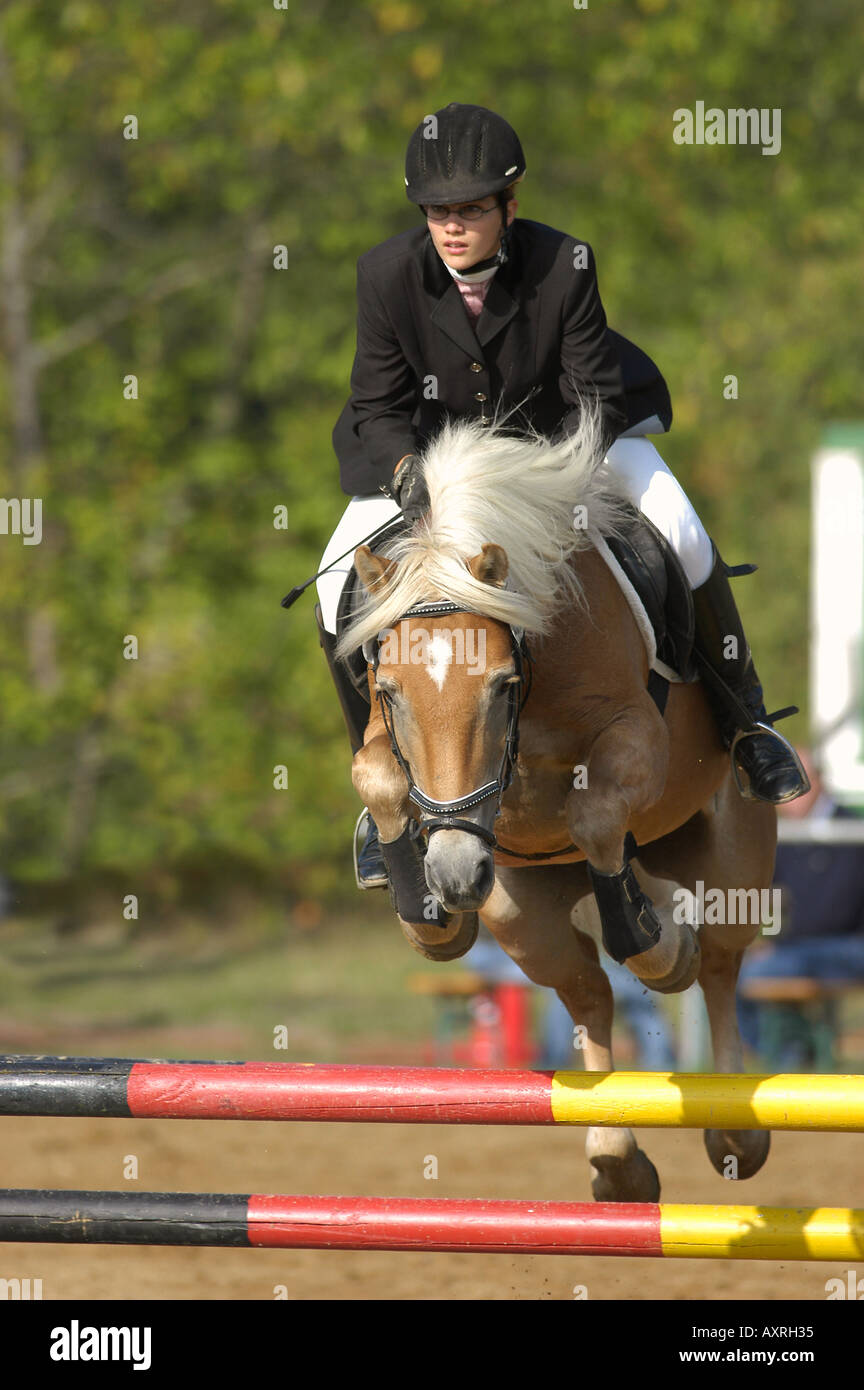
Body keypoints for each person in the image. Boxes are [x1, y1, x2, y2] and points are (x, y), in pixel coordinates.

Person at [316, 102, 808, 887]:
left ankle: (745, 719)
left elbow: (591, 398)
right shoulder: (384, 274)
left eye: (472, 210)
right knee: (334, 581)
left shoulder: (562, 264)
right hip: (428, 462)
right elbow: (376, 404)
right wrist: (409, 475)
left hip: (561, 450)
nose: (452, 227)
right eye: (439, 212)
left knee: (679, 529)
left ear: (509, 208)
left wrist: (531, 490)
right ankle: (380, 783)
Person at [737, 749, 864, 1067]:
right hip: (803, 948)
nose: (781, 792)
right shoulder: (785, 835)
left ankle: (789, 1060)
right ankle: (794, 1052)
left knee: (753, 973)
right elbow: (767, 893)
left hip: (849, 946)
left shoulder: (851, 830)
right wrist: (761, 940)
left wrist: (778, 942)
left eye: (789, 780)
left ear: (816, 782)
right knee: (733, 971)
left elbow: (835, 908)